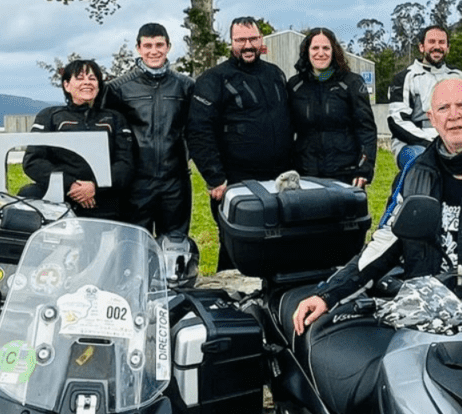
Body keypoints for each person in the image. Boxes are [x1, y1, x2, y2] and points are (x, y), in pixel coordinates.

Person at [293, 77, 462, 335]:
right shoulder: (413, 171)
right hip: (428, 316)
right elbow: (385, 243)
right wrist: (327, 295)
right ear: (432, 118)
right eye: (444, 108)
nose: (453, 115)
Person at [188, 16, 294, 270]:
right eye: (241, 40)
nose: (247, 45)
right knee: (238, 247)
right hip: (235, 181)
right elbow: (198, 131)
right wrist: (214, 177)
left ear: (261, 40)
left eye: (253, 39)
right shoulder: (213, 80)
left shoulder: (275, 74)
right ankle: (232, 300)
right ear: (231, 43)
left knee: (278, 244)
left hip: (277, 177)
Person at [104, 23, 195, 240]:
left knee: (174, 244)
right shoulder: (118, 89)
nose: (154, 51)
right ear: (138, 48)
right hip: (136, 181)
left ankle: (171, 276)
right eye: (148, 45)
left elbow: (196, 131)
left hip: (175, 181)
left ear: (168, 47)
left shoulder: (185, 86)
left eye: (159, 45)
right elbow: (108, 133)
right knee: (133, 244)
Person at [22, 58, 135, 220]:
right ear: (66, 85)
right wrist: (71, 184)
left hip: (104, 199)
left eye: (92, 78)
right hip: (59, 199)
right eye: (80, 78)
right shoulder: (49, 116)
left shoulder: (115, 118)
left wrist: (95, 186)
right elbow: (33, 161)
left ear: (99, 85)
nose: (87, 83)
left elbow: (125, 164)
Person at [288, 27, 377, 188]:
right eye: (315, 48)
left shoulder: (352, 83)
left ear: (334, 51)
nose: (320, 53)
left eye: (326, 48)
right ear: (307, 51)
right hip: (306, 174)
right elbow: (286, 130)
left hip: (345, 174)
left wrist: (364, 169)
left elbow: (366, 130)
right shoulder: (295, 86)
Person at [387, 25, 462, 173]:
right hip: (413, 145)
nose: (437, 47)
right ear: (421, 47)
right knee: (423, 162)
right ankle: (406, 195)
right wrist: (432, 143)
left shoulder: (459, 77)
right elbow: (396, 121)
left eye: (442, 42)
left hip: (452, 141)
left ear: (448, 48)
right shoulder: (405, 77)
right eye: (432, 42)